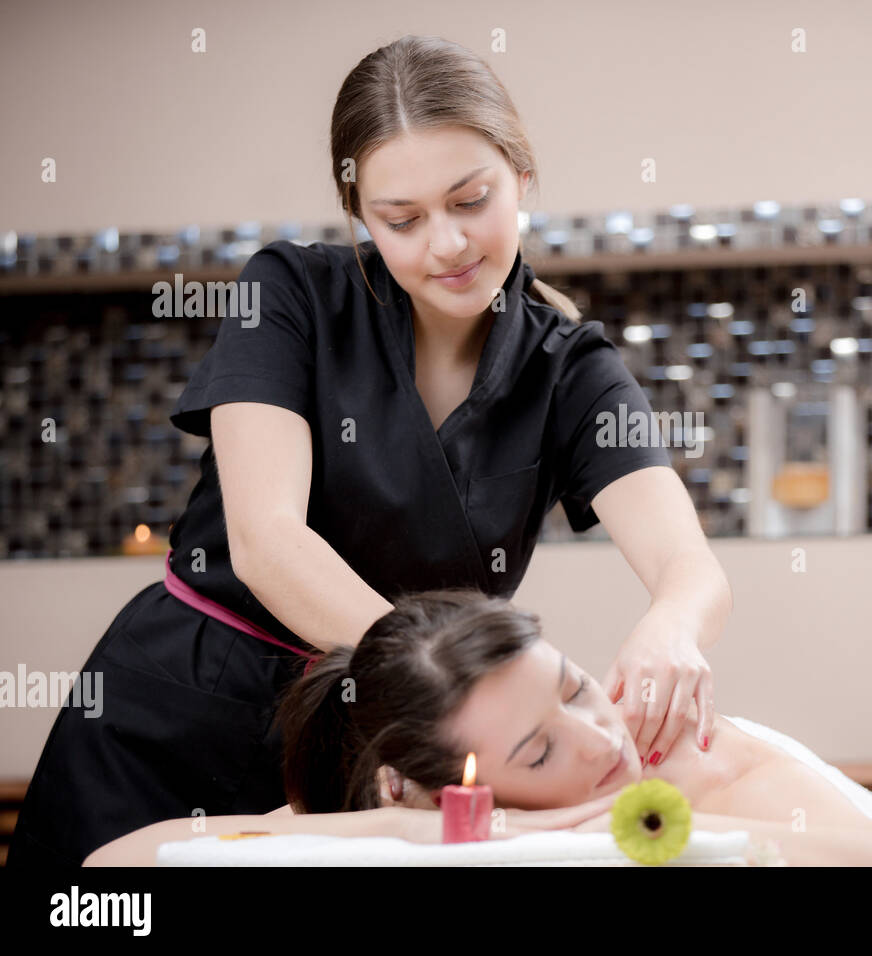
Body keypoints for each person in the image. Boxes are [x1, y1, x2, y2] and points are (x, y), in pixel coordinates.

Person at [10, 35, 730, 868]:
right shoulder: (289, 295)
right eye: (403, 220)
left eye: (472, 201)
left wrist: (673, 626)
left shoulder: (569, 368)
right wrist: (448, 681)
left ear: (522, 176)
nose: (448, 245)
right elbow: (268, 542)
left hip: (384, 754)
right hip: (181, 714)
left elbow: (690, 565)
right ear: (361, 216)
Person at [83, 590, 872, 866]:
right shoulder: (425, 817)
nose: (600, 739)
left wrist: (626, 829)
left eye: (574, 689)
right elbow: (105, 877)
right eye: (539, 750)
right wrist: (402, 828)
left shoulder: (680, 754)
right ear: (433, 785)